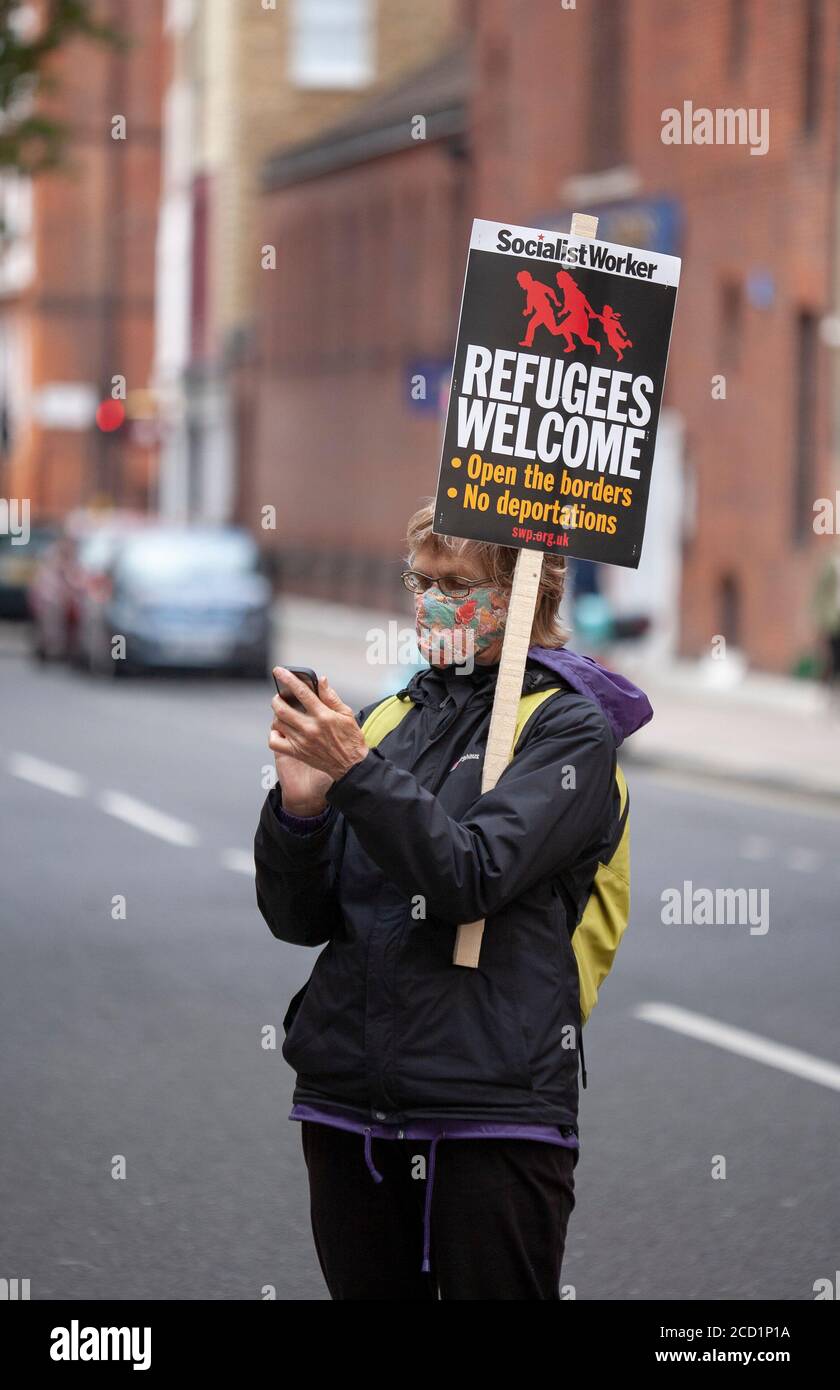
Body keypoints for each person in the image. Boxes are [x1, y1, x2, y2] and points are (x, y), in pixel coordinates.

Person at [254, 500, 653, 1300]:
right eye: (421, 580)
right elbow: (299, 921)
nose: (431, 601)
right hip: (349, 1104)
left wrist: (358, 775)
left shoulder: (569, 732)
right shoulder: (387, 717)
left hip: (490, 1112)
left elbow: (471, 876)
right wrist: (299, 810)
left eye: (458, 583)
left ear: (526, 594)